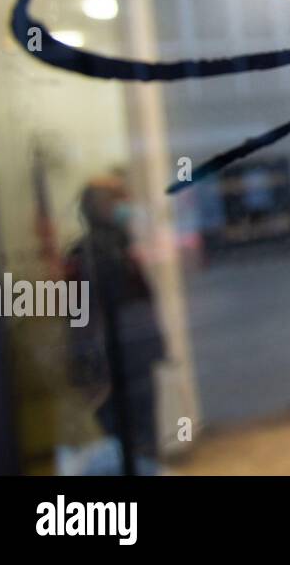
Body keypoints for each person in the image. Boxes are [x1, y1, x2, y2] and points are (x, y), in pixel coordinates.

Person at [65, 172, 166, 474]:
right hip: (110, 365)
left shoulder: (122, 246)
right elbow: (78, 314)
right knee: (126, 441)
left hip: (135, 357)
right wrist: (86, 364)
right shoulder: (85, 255)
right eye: (119, 199)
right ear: (100, 207)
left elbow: (141, 304)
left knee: (143, 438)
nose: (127, 205)